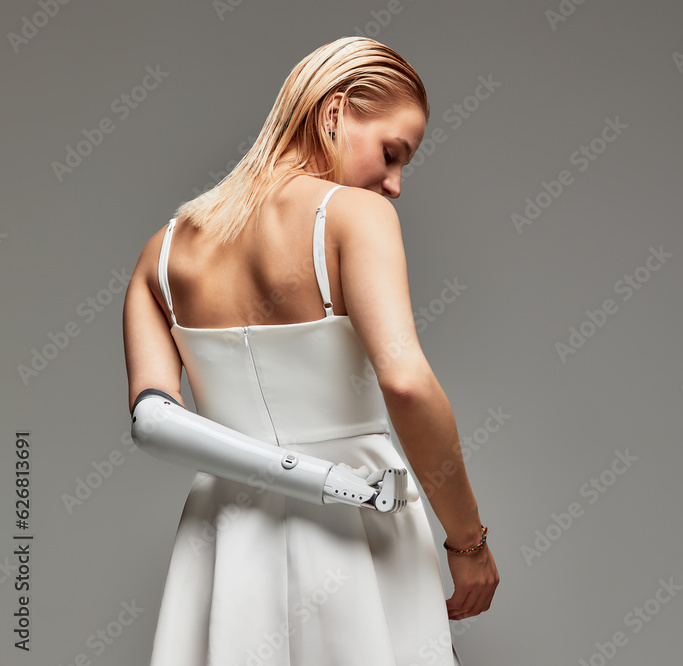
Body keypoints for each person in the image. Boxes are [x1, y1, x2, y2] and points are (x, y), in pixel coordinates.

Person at [121, 37, 499, 666]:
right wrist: (468, 543)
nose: (395, 184)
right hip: (361, 515)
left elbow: (153, 422)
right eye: (391, 152)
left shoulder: (162, 251)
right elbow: (405, 382)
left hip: (227, 530)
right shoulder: (355, 217)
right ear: (336, 111)